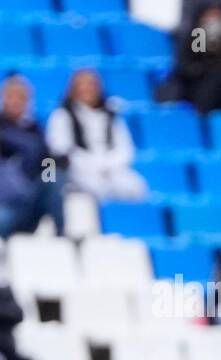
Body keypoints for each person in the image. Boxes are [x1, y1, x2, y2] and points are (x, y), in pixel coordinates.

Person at [44, 69, 146, 201]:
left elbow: (126, 149)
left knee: (136, 186)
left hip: (112, 170)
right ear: (73, 89)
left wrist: (107, 165)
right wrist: (92, 164)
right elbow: (60, 150)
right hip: (79, 172)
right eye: (83, 85)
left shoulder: (111, 114)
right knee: (94, 189)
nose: (88, 90)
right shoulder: (62, 115)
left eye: (92, 85)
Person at [0, 75, 64, 236]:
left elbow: (48, 160)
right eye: (11, 96)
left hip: (28, 202)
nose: (16, 101)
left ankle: (62, 236)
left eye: (21, 97)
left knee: (54, 178)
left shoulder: (36, 131)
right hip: (4, 203)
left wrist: (51, 173)